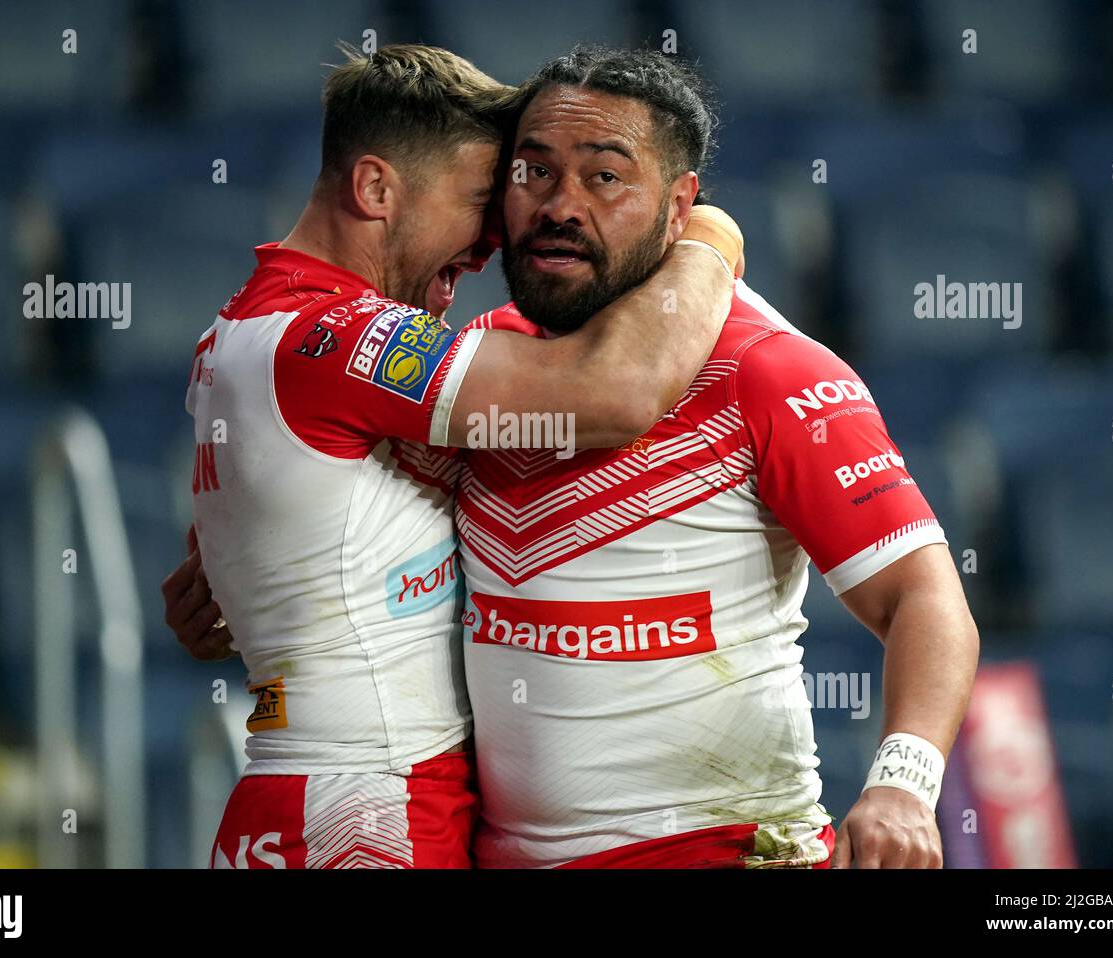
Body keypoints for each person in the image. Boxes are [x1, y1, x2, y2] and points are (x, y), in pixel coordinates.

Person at [168, 47, 979, 870]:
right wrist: (251, 579)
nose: (550, 209)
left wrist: (904, 783)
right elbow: (610, 390)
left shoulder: (769, 368)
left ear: (676, 203)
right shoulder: (480, 368)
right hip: (423, 828)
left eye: (604, 178)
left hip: (711, 849)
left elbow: (922, 595)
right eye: (527, 175)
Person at [175, 43, 744, 869]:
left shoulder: (238, 330)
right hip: (365, 806)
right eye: (481, 200)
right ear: (375, 189)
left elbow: (237, 570)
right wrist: (708, 238)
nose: (488, 243)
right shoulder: (331, 339)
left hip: (320, 794)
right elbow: (618, 391)